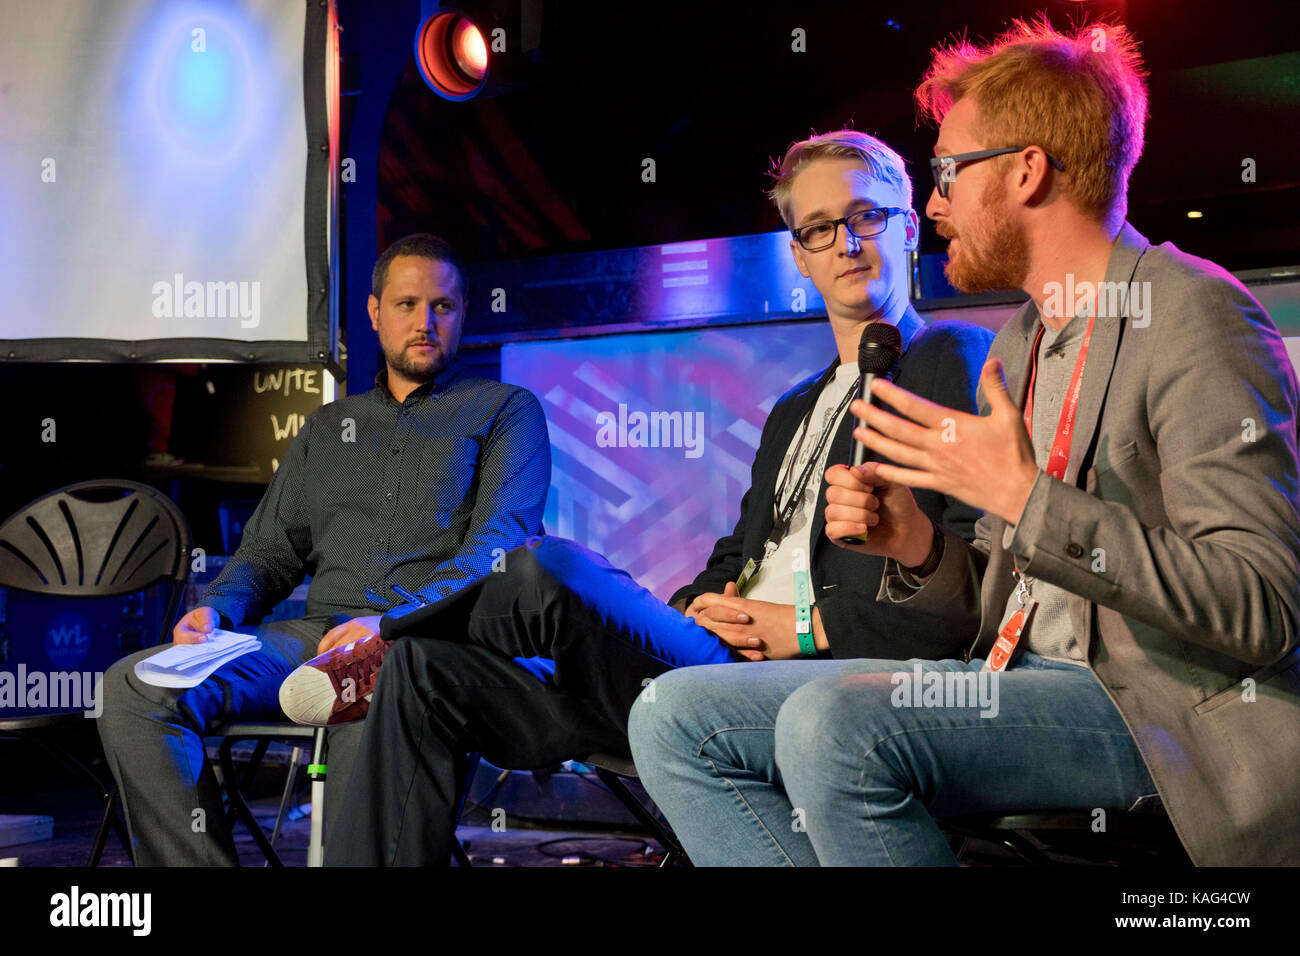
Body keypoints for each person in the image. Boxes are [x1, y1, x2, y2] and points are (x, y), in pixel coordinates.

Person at [628, 18, 1300, 867]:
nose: (934, 202)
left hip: (1155, 710)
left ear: (1026, 171)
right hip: (1012, 682)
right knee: (676, 716)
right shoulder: (1024, 341)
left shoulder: (1193, 311)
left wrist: (1029, 500)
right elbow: (995, 599)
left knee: (834, 727)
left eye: (947, 173)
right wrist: (914, 545)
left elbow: (1262, 608)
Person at [294, 130, 994, 865]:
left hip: (808, 684)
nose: (846, 243)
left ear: (909, 226)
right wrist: (696, 605)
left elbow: (969, 590)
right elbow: (738, 553)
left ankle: (393, 629)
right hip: (706, 664)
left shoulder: (952, 358)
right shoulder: (795, 405)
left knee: (543, 570)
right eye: (819, 229)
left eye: (866, 218)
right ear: (798, 254)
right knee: (422, 674)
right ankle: (405, 647)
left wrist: (810, 626)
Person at [95, 233, 551, 865]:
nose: (425, 322)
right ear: (374, 313)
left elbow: (496, 552)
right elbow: (269, 549)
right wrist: (219, 610)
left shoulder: (506, 410)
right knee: (136, 688)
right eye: (407, 304)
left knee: (371, 702)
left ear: (463, 315)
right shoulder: (330, 428)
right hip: (315, 636)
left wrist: (386, 624)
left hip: (420, 647)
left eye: (443, 307)